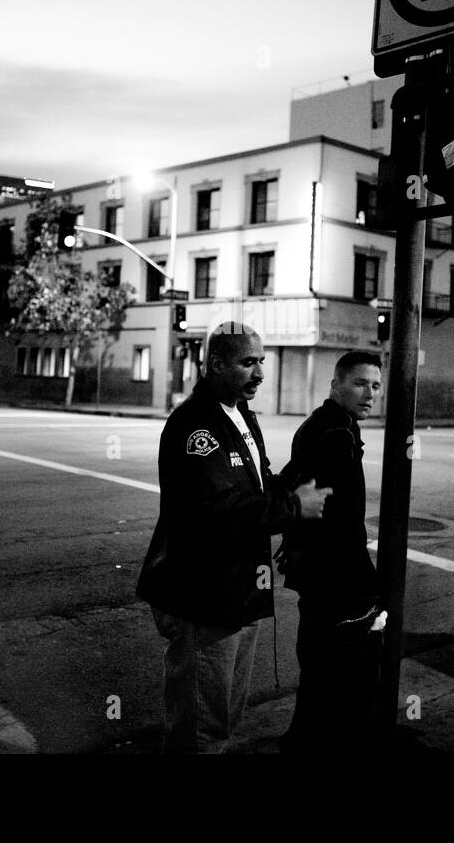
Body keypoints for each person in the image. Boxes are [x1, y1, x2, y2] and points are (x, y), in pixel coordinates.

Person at [136, 322, 331, 753]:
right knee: (201, 726)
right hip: (204, 594)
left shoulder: (240, 415)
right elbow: (217, 509)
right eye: (248, 362)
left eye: (262, 361)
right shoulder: (196, 426)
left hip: (238, 590)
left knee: (223, 717)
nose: (260, 373)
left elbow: (255, 488)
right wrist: (295, 507)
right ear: (216, 364)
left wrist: (297, 479)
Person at [276, 350, 385, 753]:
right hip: (336, 577)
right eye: (359, 383)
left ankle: (303, 738)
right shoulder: (336, 435)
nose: (369, 393)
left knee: (319, 668)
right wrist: (365, 581)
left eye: (375, 385)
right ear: (335, 384)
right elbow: (339, 522)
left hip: (316, 573)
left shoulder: (325, 425)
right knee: (344, 669)